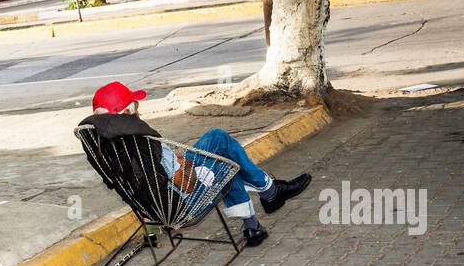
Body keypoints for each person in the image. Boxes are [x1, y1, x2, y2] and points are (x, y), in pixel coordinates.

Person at [78, 81, 311, 246]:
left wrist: (179, 161)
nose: (138, 107)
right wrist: (193, 167)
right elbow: (183, 183)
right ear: (127, 110)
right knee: (224, 153)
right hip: (182, 201)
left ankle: (258, 218)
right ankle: (268, 194)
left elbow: (143, 184)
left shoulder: (108, 148)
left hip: (157, 204)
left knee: (215, 140)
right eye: (134, 104)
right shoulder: (143, 143)